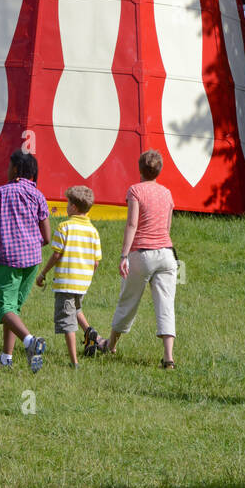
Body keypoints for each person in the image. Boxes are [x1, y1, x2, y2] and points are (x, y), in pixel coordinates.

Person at [97, 150, 178, 369]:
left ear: (140, 168)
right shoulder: (167, 193)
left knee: (128, 301)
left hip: (142, 253)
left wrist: (124, 255)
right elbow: (167, 227)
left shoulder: (135, 190)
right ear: (159, 170)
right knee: (165, 304)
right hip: (167, 254)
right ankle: (168, 357)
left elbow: (132, 224)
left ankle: (110, 345)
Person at [0, 150, 50, 373]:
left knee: (4, 308)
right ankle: (6, 358)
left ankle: (30, 342)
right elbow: (48, 236)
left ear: (15, 169)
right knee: (14, 309)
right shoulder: (38, 195)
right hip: (32, 260)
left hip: (8, 258)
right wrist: (30, 246)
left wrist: (0, 242)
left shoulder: (0, 193)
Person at [35, 185, 102, 367]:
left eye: (68, 203)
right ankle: (90, 333)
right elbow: (96, 262)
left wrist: (42, 274)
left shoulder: (64, 227)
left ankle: (74, 362)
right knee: (75, 309)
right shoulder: (94, 232)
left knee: (67, 322)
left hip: (66, 282)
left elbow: (56, 254)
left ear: (73, 207)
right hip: (82, 284)